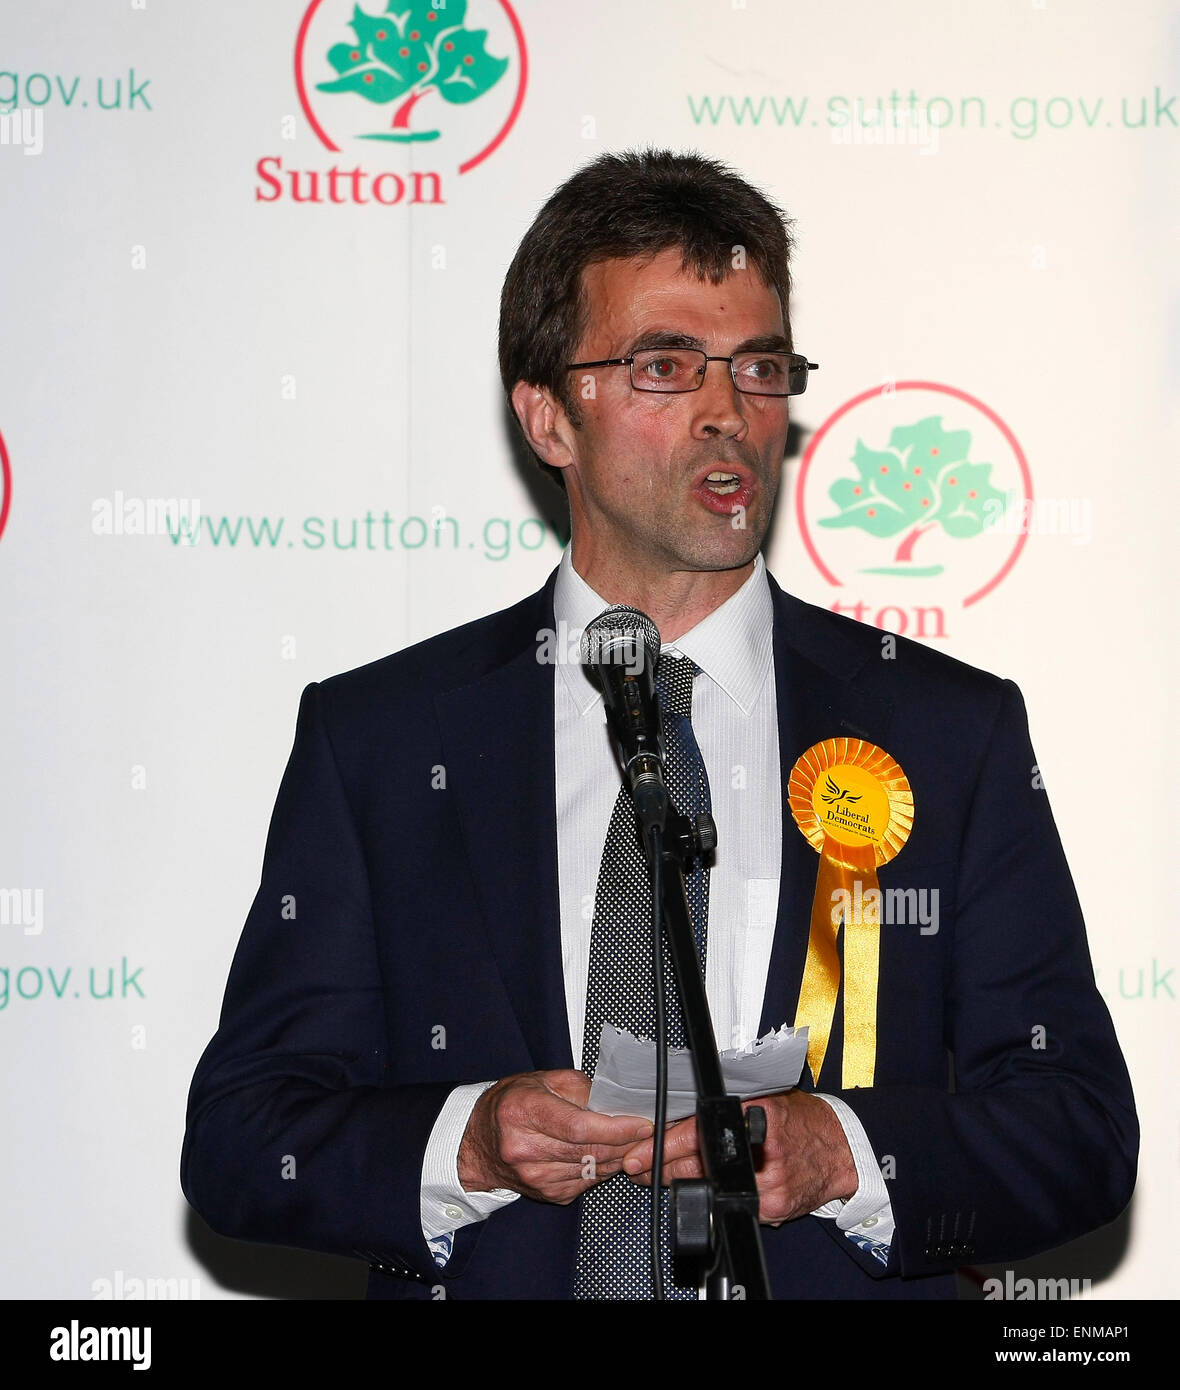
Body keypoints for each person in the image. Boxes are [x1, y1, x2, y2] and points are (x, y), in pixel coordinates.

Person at [181, 148, 1137, 1300]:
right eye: (666, 366)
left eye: (760, 365)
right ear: (547, 418)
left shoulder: (950, 735)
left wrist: (846, 1154)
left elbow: (1079, 1131)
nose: (729, 411)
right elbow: (242, 1139)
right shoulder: (382, 741)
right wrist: (469, 1140)